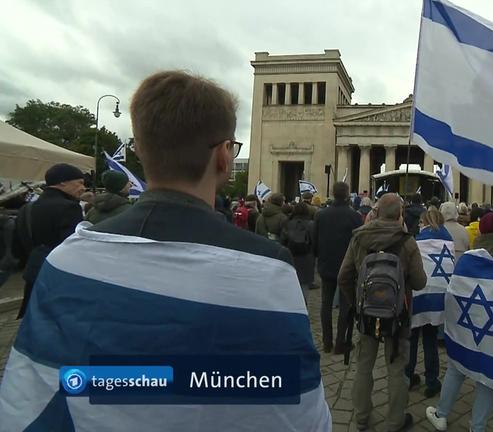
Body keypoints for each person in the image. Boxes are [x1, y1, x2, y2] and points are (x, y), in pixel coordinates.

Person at [0, 71, 331, 430]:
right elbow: (299, 412)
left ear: (140, 150)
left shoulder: (66, 261)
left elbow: (29, 400)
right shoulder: (267, 270)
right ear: (224, 157)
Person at [426, 212, 493, 432]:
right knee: (487, 379)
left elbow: (453, 294)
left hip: (467, 330)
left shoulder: (469, 260)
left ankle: (441, 414)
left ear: (481, 232)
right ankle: (478, 426)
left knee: (456, 368)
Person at [338, 193, 427, 432]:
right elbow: (420, 282)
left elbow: (343, 277)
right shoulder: (407, 241)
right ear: (400, 214)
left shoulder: (359, 238)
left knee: (363, 365)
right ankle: (395, 421)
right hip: (398, 314)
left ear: (376, 212)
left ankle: (361, 417)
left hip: (366, 312)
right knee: (396, 369)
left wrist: (356, 304)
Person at [12, 163, 85, 319]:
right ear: (62, 182)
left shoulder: (26, 208)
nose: (83, 188)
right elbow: (74, 249)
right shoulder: (70, 207)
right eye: (79, 182)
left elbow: (16, 247)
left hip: (33, 274)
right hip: (59, 278)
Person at [406, 208, 451, 399]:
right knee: (430, 340)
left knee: (412, 338)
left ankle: (408, 376)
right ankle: (432, 381)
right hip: (438, 296)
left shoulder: (417, 242)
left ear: (424, 222)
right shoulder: (448, 241)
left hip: (418, 293)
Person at [313, 182, 363, 354]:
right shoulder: (355, 216)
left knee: (326, 304)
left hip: (326, 264)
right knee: (345, 305)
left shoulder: (321, 215)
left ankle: (327, 342)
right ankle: (341, 343)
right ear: (348, 194)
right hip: (347, 266)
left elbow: (315, 239)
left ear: (333, 193)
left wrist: (318, 257)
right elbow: (359, 243)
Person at [281, 201, 315, 301]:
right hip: (306, 257)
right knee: (304, 286)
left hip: (290, 256)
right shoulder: (311, 224)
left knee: (290, 284)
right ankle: (303, 306)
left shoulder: (287, 223)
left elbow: (282, 241)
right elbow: (314, 242)